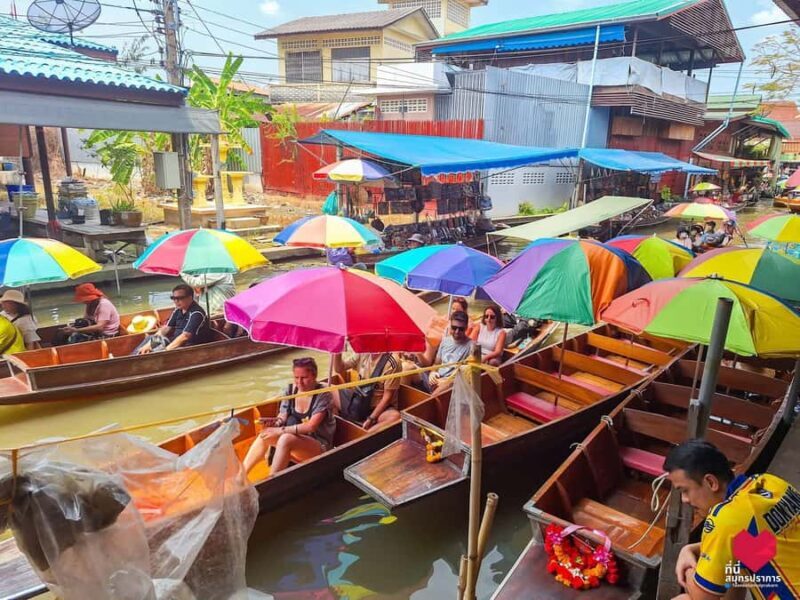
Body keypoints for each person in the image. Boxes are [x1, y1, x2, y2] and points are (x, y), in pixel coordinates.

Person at [666, 440, 799, 600]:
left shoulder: (725, 517)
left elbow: (702, 598)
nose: (685, 499)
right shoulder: (768, 482)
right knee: (734, 560)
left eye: (685, 490)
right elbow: (755, 541)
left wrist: (687, 565)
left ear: (710, 482)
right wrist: (691, 549)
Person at [241, 357, 336, 476]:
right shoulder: (290, 390)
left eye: (304, 378)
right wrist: (275, 423)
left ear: (314, 375)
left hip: (319, 445)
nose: (299, 382)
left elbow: (311, 426)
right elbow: (282, 416)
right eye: (296, 377)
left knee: (286, 438)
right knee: (265, 434)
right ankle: (241, 477)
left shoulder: (323, 394)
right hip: (297, 439)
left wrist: (279, 430)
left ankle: (271, 481)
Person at [136, 284, 213, 354]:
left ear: (190, 298)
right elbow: (165, 329)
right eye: (174, 298)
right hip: (175, 341)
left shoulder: (196, 313)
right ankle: (135, 356)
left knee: (154, 351)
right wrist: (149, 344)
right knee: (150, 339)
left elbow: (185, 337)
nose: (176, 301)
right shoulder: (178, 310)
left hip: (190, 345)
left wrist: (165, 351)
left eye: (180, 298)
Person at [333, 352, 402, 429]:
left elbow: (387, 398)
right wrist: (337, 351)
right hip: (359, 401)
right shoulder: (362, 353)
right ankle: (340, 427)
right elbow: (339, 368)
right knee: (325, 390)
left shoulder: (392, 361)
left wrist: (371, 418)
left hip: (379, 408)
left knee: (395, 417)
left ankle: (364, 436)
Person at [417, 310, 474, 392]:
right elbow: (436, 364)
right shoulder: (445, 341)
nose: (457, 332)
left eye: (461, 329)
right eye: (454, 328)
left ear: (466, 328)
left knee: (440, 389)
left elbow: (469, 376)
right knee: (407, 368)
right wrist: (432, 373)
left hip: (452, 384)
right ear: (450, 326)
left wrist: (447, 382)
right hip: (437, 378)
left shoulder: (472, 346)